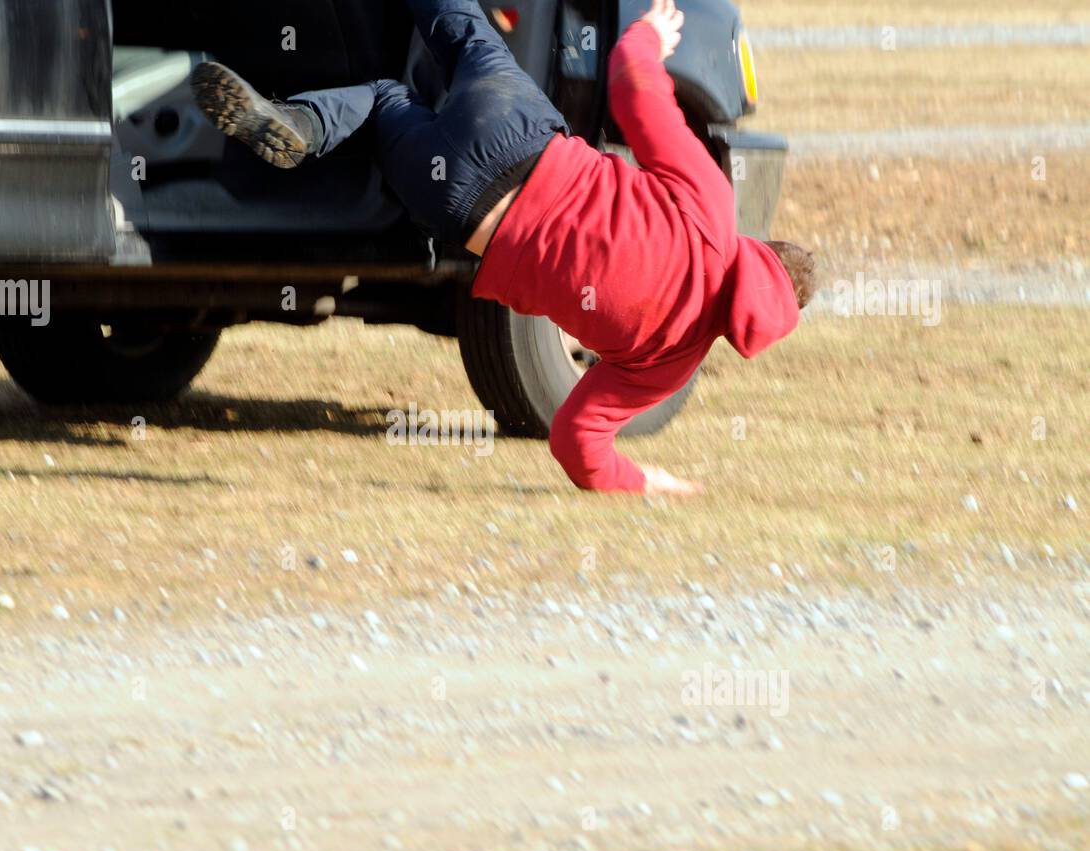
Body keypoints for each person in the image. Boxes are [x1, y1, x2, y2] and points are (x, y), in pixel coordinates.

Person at [192, 0, 815, 496]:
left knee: (461, 31)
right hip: (461, 212)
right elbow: (576, 441)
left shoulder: (712, 211)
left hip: (514, 133)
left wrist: (646, 38)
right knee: (383, 101)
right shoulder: (669, 364)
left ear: (758, 251)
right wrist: (640, 480)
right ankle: (303, 125)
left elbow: (633, 92)